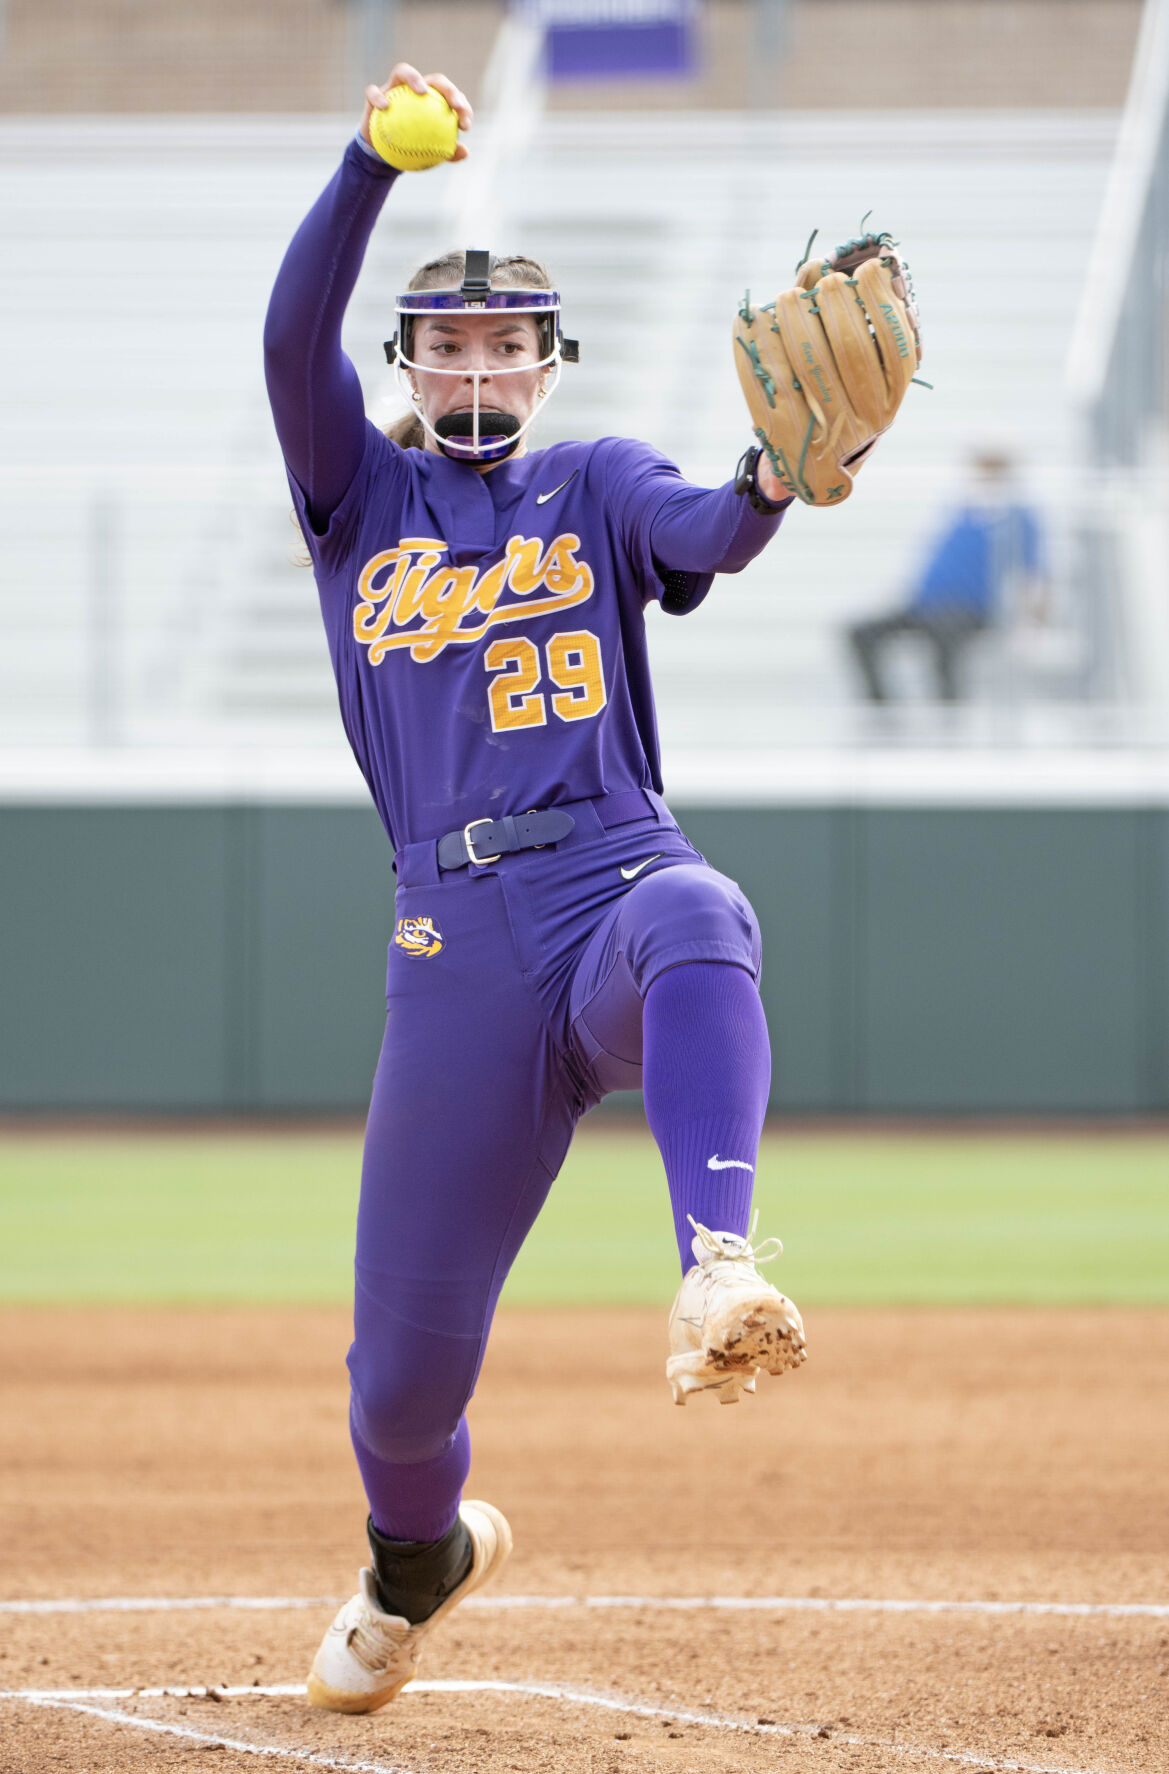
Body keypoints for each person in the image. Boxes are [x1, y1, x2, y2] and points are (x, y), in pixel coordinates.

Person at [263, 62, 807, 1717]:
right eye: (450, 342)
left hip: (606, 873)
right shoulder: (356, 498)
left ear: (547, 361)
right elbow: (289, 342)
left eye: (511, 341)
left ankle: (717, 1253)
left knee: (702, 909)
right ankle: (414, 1554)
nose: (480, 362)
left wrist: (778, 472)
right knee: (402, 1391)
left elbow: (709, 529)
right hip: (451, 946)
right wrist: (365, 166)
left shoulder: (594, 483)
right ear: (410, 366)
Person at [846, 451, 1048, 703]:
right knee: (860, 632)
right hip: (922, 606)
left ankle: (949, 712)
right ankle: (881, 706)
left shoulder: (1019, 519)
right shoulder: (961, 512)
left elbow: (1035, 575)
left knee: (944, 634)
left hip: (969, 611)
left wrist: (1031, 623)